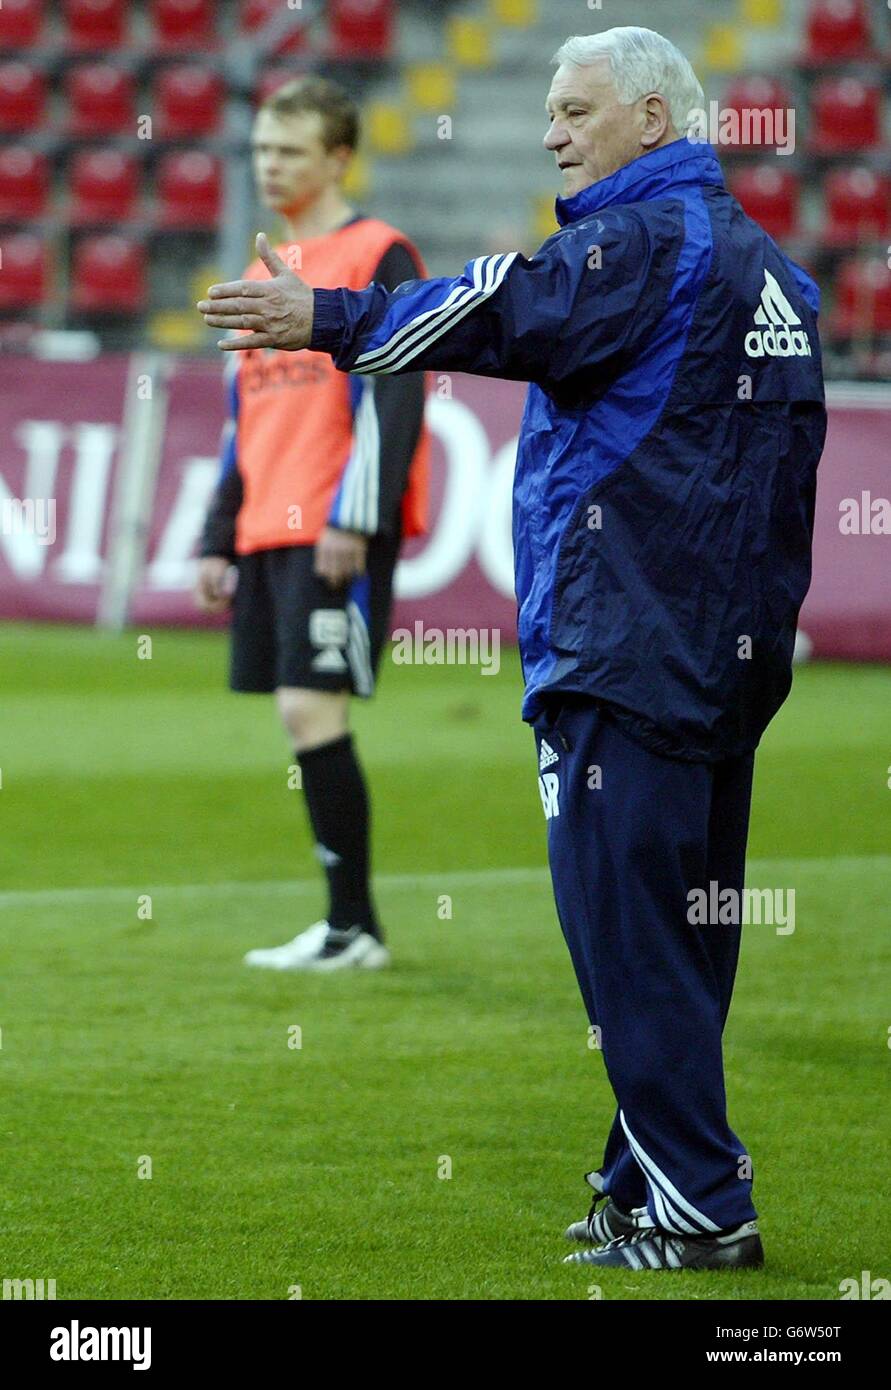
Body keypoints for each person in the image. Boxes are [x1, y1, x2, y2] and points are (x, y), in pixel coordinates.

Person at [197, 28, 826, 1270]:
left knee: (625, 935)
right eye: (547, 109)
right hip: (726, 653)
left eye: (576, 109)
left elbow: (502, 306)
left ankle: (703, 1208)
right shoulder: (775, 275)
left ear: (653, 119)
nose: (552, 132)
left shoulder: (641, 243)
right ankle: (644, 1181)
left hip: (625, 646)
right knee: (684, 934)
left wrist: (324, 315)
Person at [195, 77, 429, 973]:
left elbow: (396, 389)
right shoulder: (262, 270)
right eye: (260, 149)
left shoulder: (378, 252)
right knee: (297, 713)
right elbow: (238, 419)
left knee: (307, 706)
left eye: (289, 151)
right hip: (267, 523)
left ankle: (351, 926)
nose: (269, 165)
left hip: (334, 523)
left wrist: (357, 516)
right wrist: (221, 535)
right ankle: (348, 925)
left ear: (339, 157)